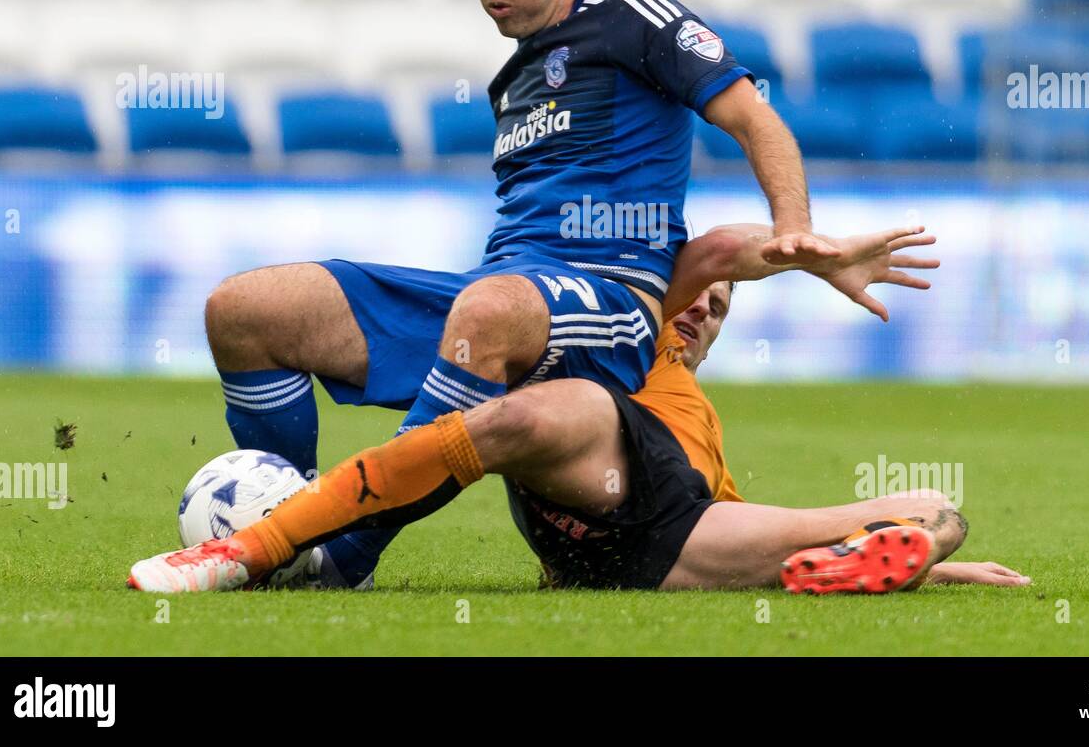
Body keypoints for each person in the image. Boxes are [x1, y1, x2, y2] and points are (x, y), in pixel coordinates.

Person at [204, 0, 828, 587]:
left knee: (491, 308)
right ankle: (292, 506)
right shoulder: (515, 80)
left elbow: (752, 116)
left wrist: (796, 227)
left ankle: (336, 554)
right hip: (504, 296)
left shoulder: (635, 18)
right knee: (245, 309)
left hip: (609, 302)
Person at [130, 225, 1030, 594]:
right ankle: (278, 539)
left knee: (933, 512)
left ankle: (902, 558)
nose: (701, 307)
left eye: (716, 309)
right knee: (527, 417)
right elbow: (718, 247)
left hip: (653, 538)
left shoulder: (693, 404)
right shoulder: (631, 328)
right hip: (587, 469)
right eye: (699, 295)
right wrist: (801, 246)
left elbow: (741, 517)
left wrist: (922, 563)